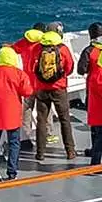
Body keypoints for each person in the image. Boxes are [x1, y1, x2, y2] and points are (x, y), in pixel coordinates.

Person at [0, 46, 32, 180]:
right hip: (13, 114)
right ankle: (12, 171)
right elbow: (27, 91)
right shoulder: (19, 74)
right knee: (14, 142)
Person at [31, 30, 76, 162]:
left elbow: (31, 67)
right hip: (59, 89)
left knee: (42, 121)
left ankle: (40, 153)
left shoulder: (37, 49)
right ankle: (70, 151)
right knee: (64, 120)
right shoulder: (63, 49)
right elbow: (70, 67)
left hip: (41, 89)